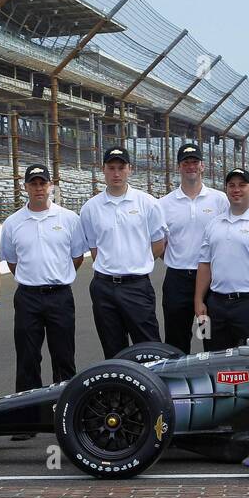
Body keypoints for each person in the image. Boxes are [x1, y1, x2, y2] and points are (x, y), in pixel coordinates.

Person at [0, 163, 86, 393]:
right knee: (27, 359)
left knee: (64, 357)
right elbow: (12, 261)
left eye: (42, 183)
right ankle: (28, 417)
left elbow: (77, 257)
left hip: (60, 296)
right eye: (33, 183)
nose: (38, 188)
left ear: (50, 186)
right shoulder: (13, 222)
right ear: (25, 187)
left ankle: (66, 411)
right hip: (28, 297)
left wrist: (57, 276)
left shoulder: (68, 218)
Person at [79, 146, 167, 359]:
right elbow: (94, 248)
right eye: (111, 168)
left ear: (130, 169)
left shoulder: (147, 203)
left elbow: (159, 244)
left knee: (149, 349)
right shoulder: (91, 208)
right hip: (104, 287)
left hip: (137, 286)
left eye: (121, 167)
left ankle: (150, 392)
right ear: (104, 170)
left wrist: (136, 262)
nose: (116, 173)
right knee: (113, 349)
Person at [194, 168, 249, 352]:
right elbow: (204, 264)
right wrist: (198, 300)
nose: (236, 189)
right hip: (214, 306)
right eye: (232, 185)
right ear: (226, 189)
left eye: (242, 185)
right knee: (211, 356)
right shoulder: (213, 224)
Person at [159, 142, 229, 353]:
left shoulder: (219, 200)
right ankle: (177, 381)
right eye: (186, 162)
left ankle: (210, 378)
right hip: (177, 280)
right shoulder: (165, 204)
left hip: (209, 280)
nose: (191, 166)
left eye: (194, 162)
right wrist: (177, 258)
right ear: (179, 167)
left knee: (207, 333)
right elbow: (160, 243)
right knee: (176, 336)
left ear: (202, 166)